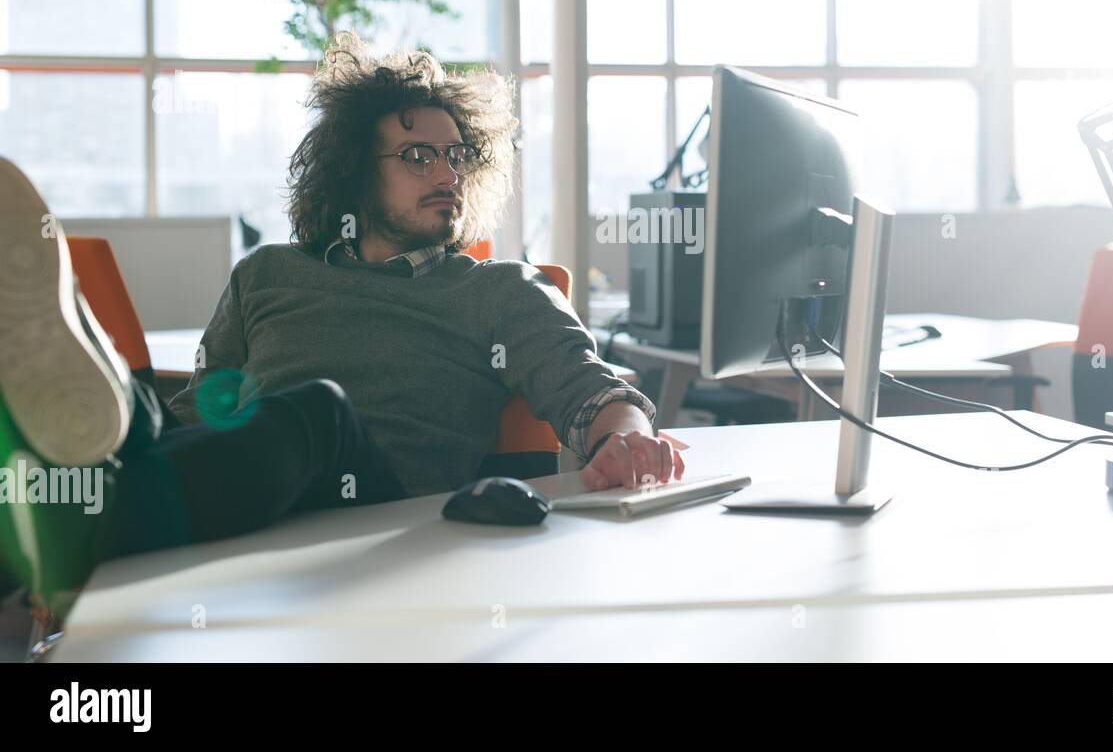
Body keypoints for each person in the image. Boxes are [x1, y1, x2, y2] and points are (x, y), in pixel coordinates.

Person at [0, 33, 683, 630]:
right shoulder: (266, 275)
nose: (447, 173)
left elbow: (590, 393)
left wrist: (629, 439)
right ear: (355, 171)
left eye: (457, 155)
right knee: (141, 414)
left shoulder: (500, 289)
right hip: (246, 525)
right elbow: (204, 411)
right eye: (418, 156)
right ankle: (64, 489)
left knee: (317, 413)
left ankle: (67, 535)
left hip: (381, 535)